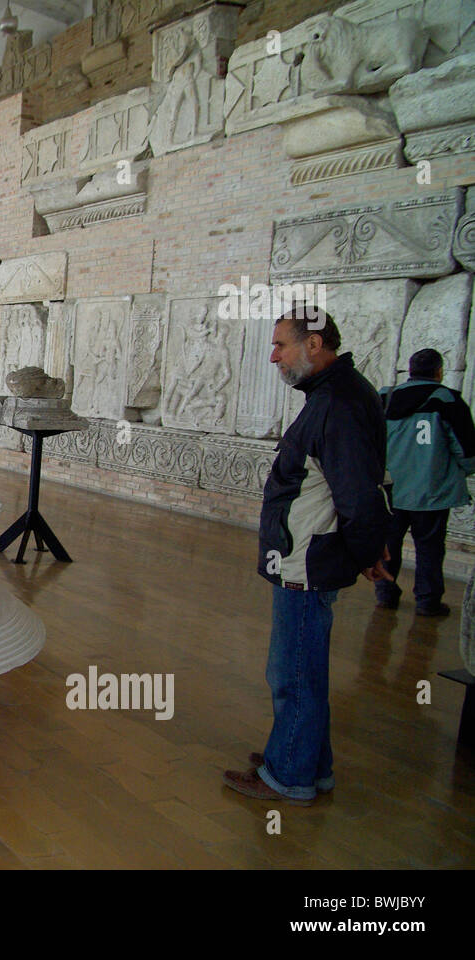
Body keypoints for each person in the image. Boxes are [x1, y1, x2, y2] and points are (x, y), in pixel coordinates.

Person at [223, 305, 391, 806]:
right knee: (303, 668)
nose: (274, 356)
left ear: (314, 345)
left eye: (282, 345)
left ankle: (288, 775)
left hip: (308, 559)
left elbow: (357, 493)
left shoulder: (337, 402)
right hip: (308, 554)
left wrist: (365, 553)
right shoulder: (334, 394)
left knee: (292, 672)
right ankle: (309, 763)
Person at [376, 348, 475, 616]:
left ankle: (386, 594)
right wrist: (462, 472)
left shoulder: (385, 397)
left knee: (388, 546)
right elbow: (465, 450)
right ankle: (427, 602)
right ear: (439, 371)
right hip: (431, 492)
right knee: (430, 549)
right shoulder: (446, 399)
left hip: (390, 491)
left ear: (410, 370)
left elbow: (368, 441)